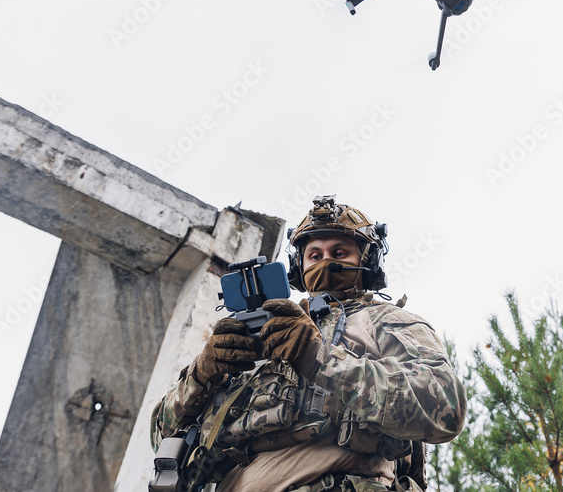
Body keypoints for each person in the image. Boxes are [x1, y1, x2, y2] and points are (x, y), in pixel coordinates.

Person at [150, 195, 466, 492]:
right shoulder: (263, 332)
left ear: (366, 261)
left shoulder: (384, 320)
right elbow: (159, 436)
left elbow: (445, 407)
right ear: (299, 266)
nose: (325, 262)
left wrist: (320, 359)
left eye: (339, 253)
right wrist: (202, 374)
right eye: (315, 255)